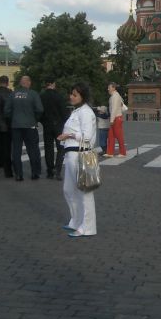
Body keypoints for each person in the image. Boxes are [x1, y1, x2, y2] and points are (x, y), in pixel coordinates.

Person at [57, 82, 98, 238]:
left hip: (81, 154)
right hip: (72, 154)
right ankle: (76, 220)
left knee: (84, 192)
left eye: (75, 95)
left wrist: (69, 135)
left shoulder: (86, 112)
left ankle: (87, 227)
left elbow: (87, 136)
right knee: (69, 190)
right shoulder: (77, 111)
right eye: (71, 94)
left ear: (83, 96)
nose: (71, 97)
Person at [5, 75, 44, 180]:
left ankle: (18, 174)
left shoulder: (13, 94)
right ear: (29, 83)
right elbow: (40, 109)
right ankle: (35, 173)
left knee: (16, 150)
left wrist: (13, 118)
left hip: (16, 125)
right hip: (30, 125)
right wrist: (35, 119)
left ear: (20, 83)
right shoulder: (33, 94)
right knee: (33, 149)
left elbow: (6, 111)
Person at [40, 80, 68, 179]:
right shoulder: (59, 96)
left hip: (47, 124)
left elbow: (39, 111)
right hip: (58, 124)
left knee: (48, 148)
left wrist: (43, 121)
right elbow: (64, 112)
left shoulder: (42, 96)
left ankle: (50, 170)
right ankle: (58, 169)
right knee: (61, 147)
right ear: (53, 84)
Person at [105, 82, 127, 157]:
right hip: (116, 117)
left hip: (116, 118)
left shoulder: (115, 96)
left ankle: (122, 152)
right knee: (111, 136)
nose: (108, 89)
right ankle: (110, 152)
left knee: (119, 136)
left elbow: (114, 109)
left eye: (109, 87)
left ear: (113, 88)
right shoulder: (114, 96)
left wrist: (111, 120)